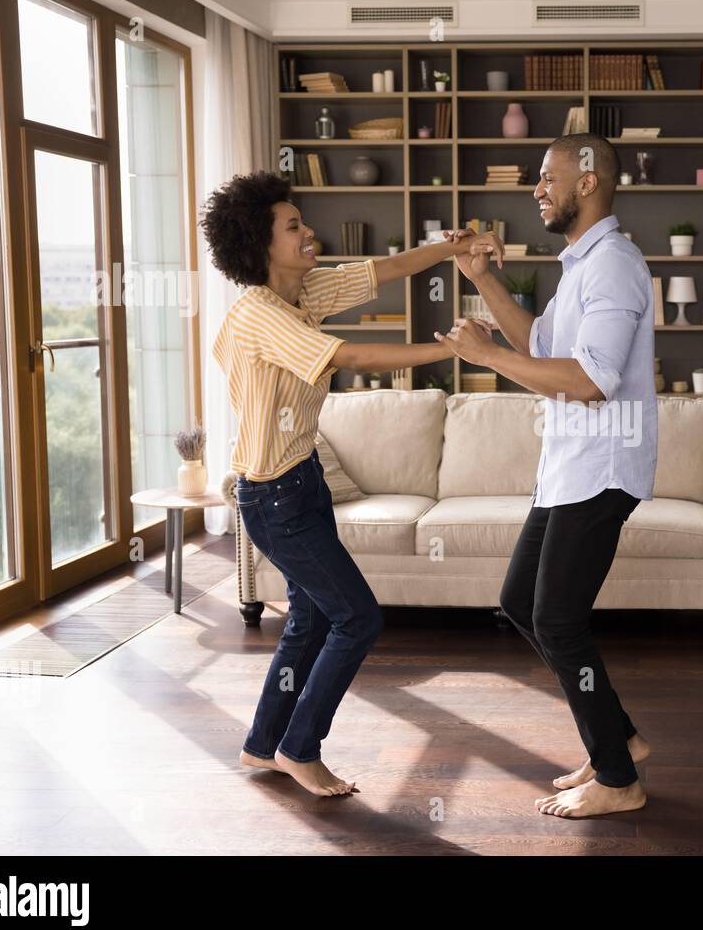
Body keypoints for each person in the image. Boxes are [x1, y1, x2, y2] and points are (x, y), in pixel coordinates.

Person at [201, 170, 500, 797]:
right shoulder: (260, 314)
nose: (309, 232)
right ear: (261, 246)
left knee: (310, 619)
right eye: (293, 226)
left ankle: (264, 743)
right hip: (272, 496)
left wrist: (453, 247)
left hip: (300, 480)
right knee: (357, 618)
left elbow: (384, 270)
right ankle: (301, 749)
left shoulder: (303, 290)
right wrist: (452, 350)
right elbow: (350, 358)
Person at [436, 133, 657, 818]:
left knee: (558, 619)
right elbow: (540, 344)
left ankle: (619, 777)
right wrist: (483, 282)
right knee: (521, 600)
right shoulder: (583, 266)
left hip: (603, 467)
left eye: (546, 177)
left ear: (587, 181)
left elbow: (593, 380)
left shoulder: (614, 266)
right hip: (567, 468)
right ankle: (617, 734)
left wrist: (486, 359)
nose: (536, 189)